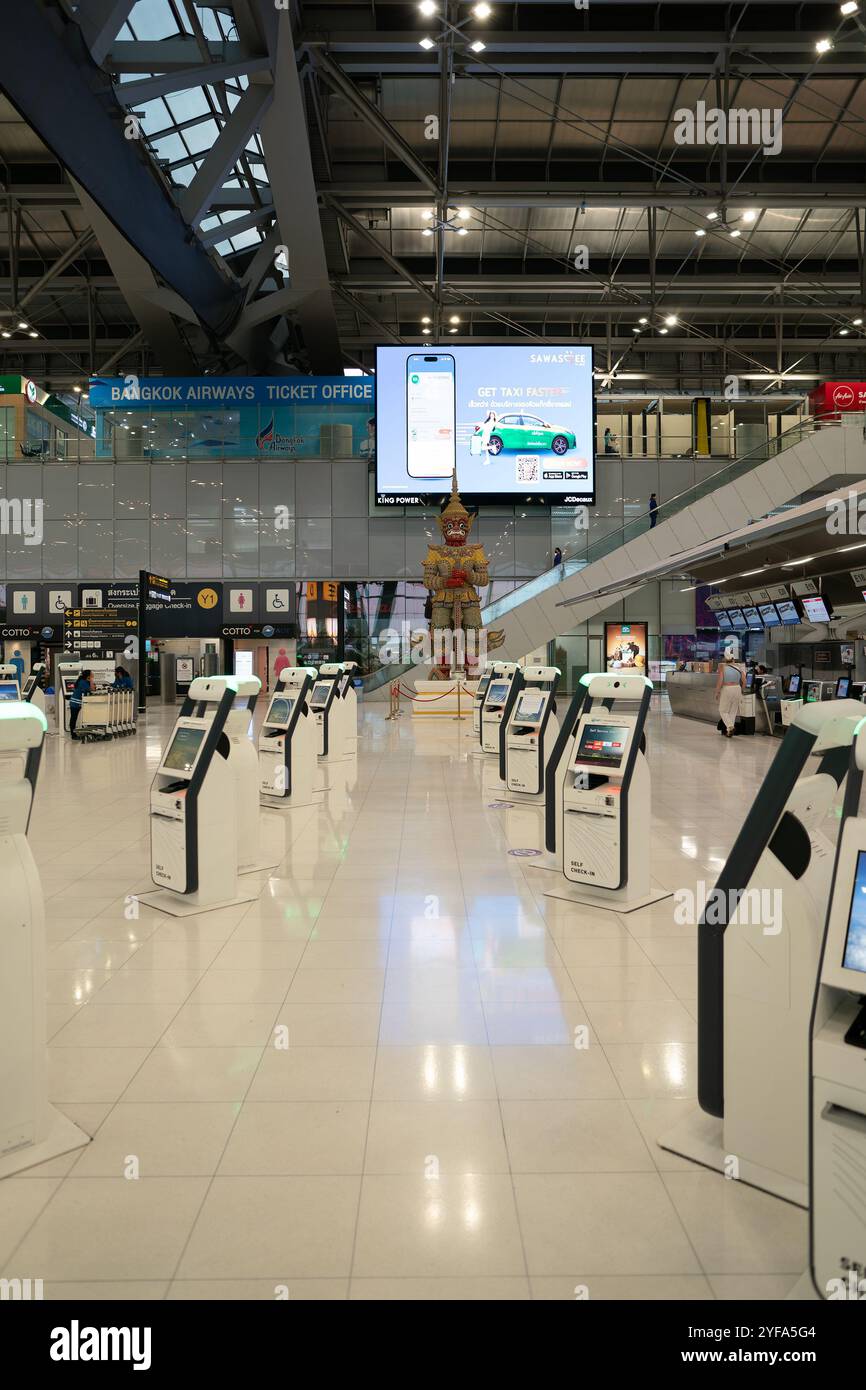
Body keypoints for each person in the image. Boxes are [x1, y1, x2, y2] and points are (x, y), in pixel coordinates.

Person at [715, 654, 745, 738]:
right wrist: (741, 690)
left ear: (725, 660)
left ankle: (730, 726)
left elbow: (720, 682)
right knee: (733, 711)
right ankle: (729, 731)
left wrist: (717, 692)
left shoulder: (723, 668)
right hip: (737, 688)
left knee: (723, 710)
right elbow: (744, 680)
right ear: (733, 660)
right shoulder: (739, 668)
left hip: (727, 688)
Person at [69, 669, 93, 740]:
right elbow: (91, 689)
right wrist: (91, 680)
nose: (93, 675)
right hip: (75, 703)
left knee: (74, 718)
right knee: (73, 718)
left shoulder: (84, 681)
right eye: (92, 674)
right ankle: (73, 735)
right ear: (88, 676)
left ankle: (74, 733)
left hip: (76, 702)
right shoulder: (83, 682)